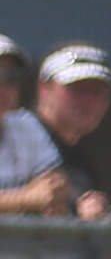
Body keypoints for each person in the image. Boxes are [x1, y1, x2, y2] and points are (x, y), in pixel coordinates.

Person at [25, 43, 111, 219]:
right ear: (43, 88)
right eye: (77, 88)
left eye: (99, 92)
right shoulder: (15, 136)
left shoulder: (83, 159)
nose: (89, 101)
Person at [0, 39, 67, 215]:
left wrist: (51, 193)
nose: (3, 86)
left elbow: (56, 183)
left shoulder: (26, 125)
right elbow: (35, 196)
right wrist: (26, 197)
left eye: (11, 78)